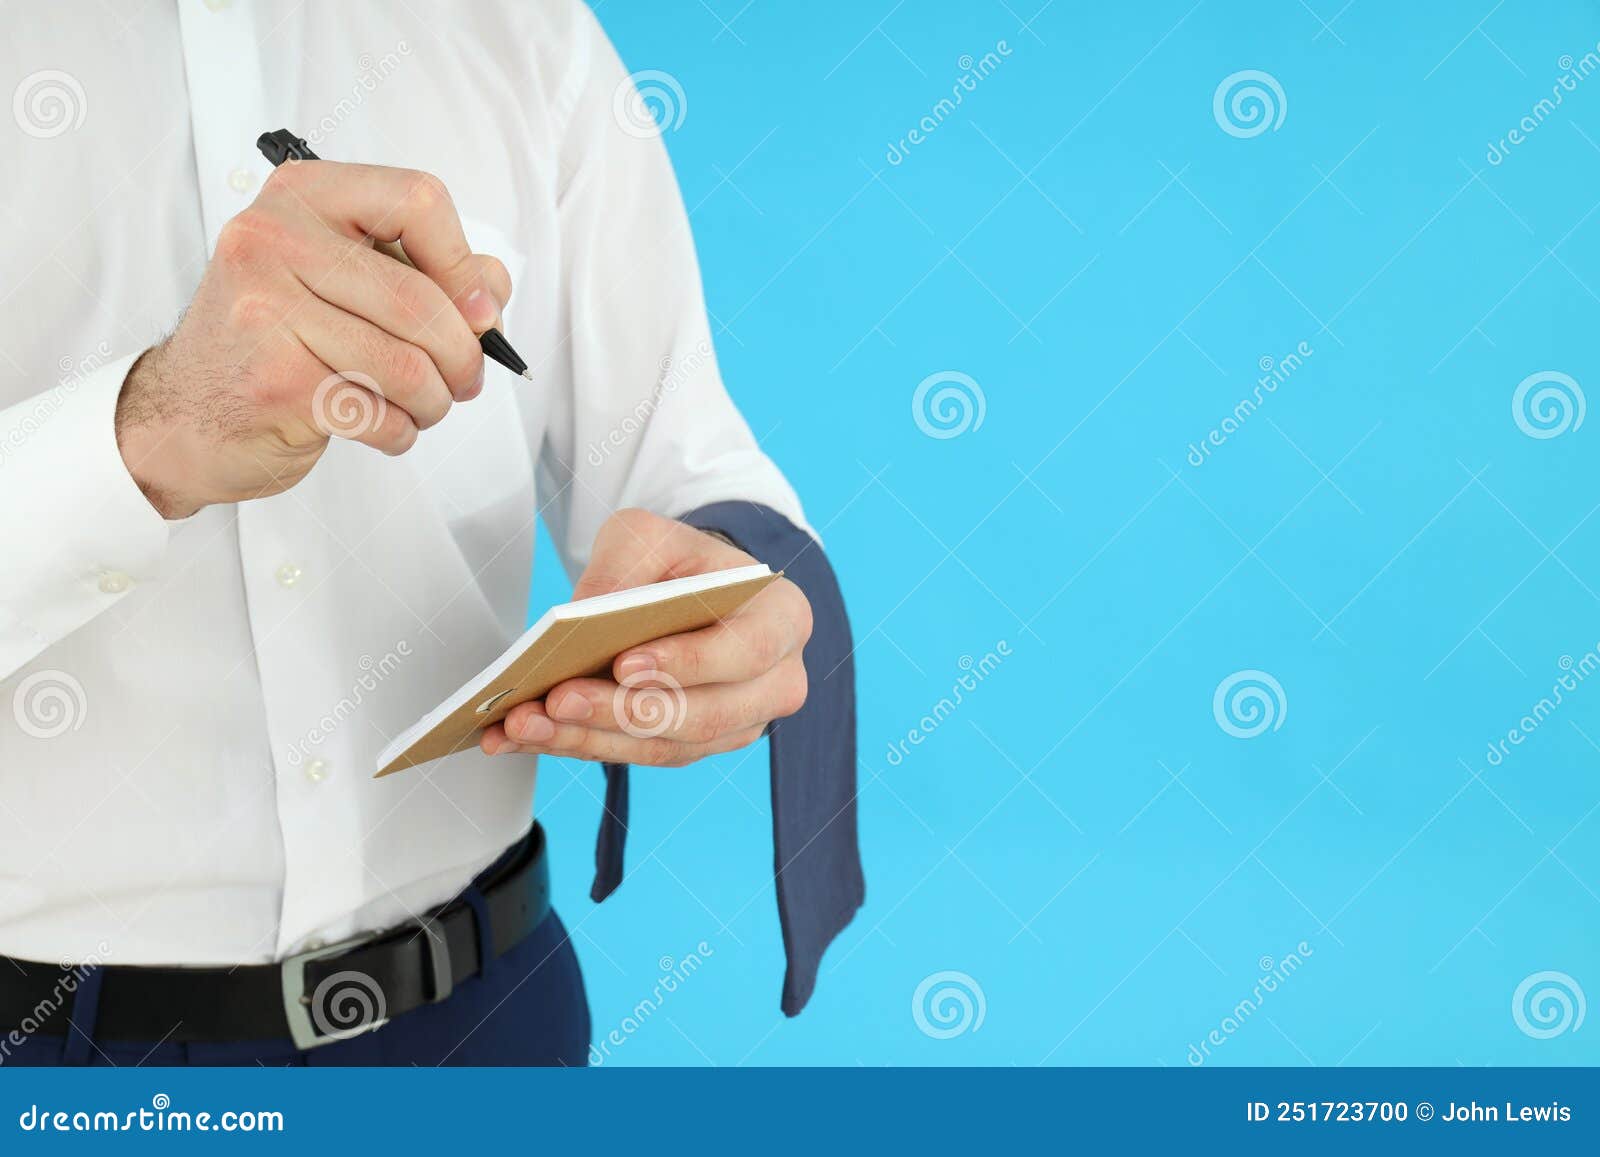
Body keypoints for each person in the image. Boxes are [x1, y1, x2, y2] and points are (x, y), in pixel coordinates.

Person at [0, 0, 862, 1066]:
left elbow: (689, 460)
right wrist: (151, 430)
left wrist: (725, 584)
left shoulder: (524, 30)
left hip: (488, 1026)